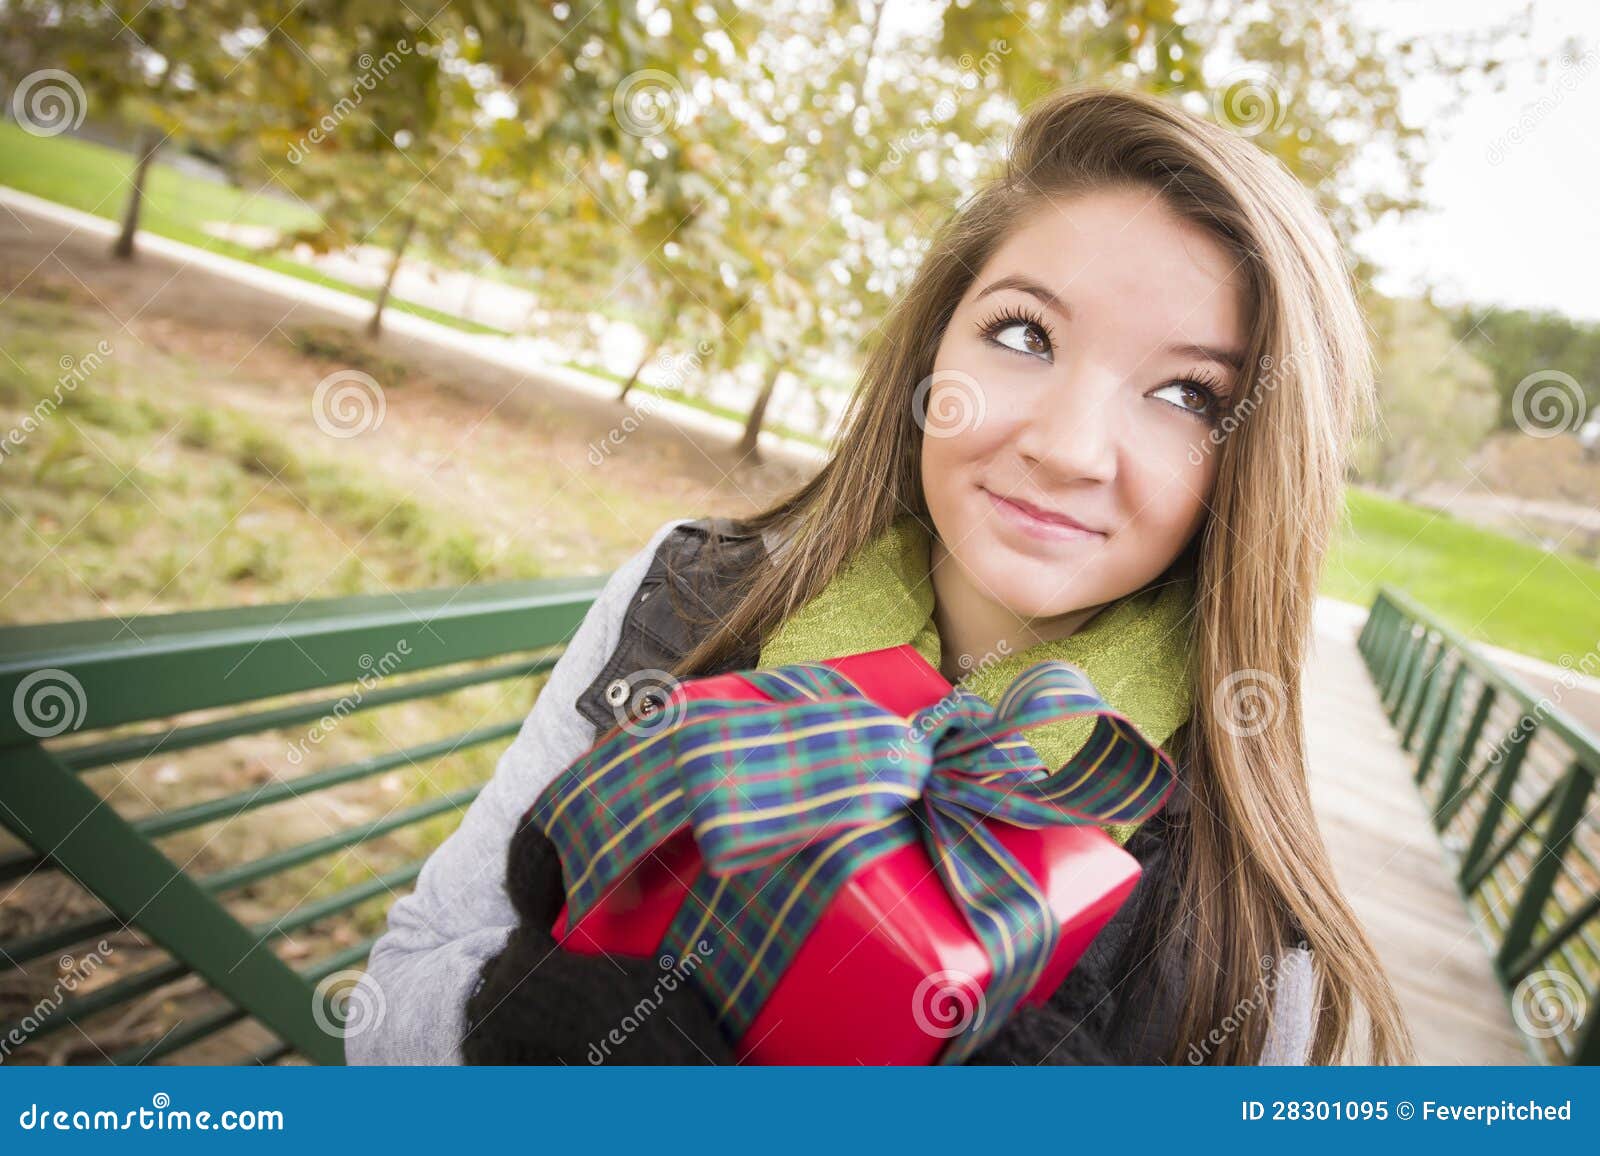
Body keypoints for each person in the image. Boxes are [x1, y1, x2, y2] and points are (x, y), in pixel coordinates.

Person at [347, 84, 1414, 1067]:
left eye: (1187, 395)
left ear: (1254, 463)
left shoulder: (1242, 903)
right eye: (1024, 333)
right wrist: (508, 1025)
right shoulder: (686, 599)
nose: (1068, 447)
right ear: (932, 353)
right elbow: (392, 998)